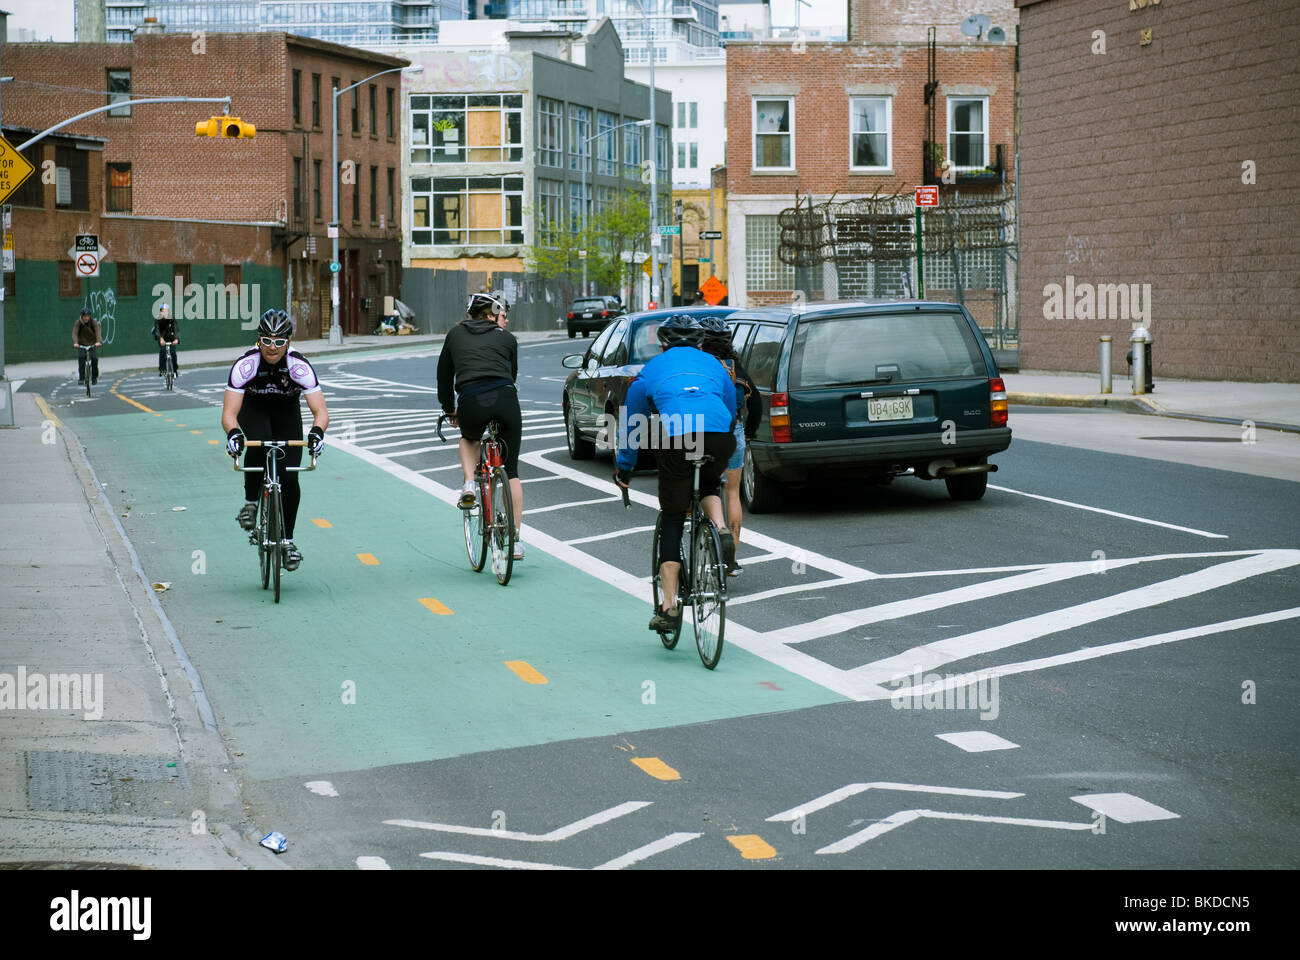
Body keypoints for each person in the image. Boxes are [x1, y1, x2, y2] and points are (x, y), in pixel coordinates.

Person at [614, 314, 739, 633]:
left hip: (677, 436)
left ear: (662, 343)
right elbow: (730, 402)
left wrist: (625, 466)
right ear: (700, 343)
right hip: (719, 436)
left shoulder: (651, 369)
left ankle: (669, 607)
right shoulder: (715, 364)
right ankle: (721, 528)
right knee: (710, 481)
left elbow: (633, 419)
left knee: (672, 516)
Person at [221, 309, 329, 572]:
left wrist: (317, 433)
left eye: (279, 341)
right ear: (258, 340)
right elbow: (229, 413)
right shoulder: (246, 365)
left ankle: (288, 542)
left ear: (288, 342)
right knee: (260, 440)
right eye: (266, 341)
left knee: (290, 477)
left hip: (286, 413)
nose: (272, 348)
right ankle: (251, 503)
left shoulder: (298, 366)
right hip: (254, 409)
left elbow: (320, 411)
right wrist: (234, 434)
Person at [437, 291, 526, 562]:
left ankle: (468, 485)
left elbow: (444, 375)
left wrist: (448, 408)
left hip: (471, 399)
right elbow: (511, 374)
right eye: (502, 315)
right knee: (511, 472)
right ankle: (516, 540)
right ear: (490, 315)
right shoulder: (508, 339)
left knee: (469, 438)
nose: (505, 320)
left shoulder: (454, 335)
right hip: (505, 398)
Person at [698, 315, 760, 576]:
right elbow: (755, 403)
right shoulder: (737, 370)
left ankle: (712, 528)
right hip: (732, 431)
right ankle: (730, 560)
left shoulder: (698, 367)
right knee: (733, 494)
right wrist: (747, 434)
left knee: (702, 488)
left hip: (700, 432)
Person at [72, 307, 102, 386]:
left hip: (92, 344)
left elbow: (98, 332)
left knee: (94, 359)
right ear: (81, 316)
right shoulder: (78, 323)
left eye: (88, 316)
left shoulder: (93, 322)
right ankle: (81, 378)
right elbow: (75, 333)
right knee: (81, 358)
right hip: (82, 345)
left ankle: (94, 377)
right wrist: (75, 342)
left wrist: (98, 341)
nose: (86, 318)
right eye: (84, 316)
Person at [152, 304, 180, 377]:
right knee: (163, 352)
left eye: (165, 311)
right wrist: (160, 339)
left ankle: (174, 370)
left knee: (173, 353)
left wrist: (176, 339)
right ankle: (162, 369)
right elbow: (157, 330)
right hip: (162, 340)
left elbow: (176, 329)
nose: (164, 313)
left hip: (171, 339)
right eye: (162, 311)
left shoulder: (172, 319)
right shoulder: (158, 320)